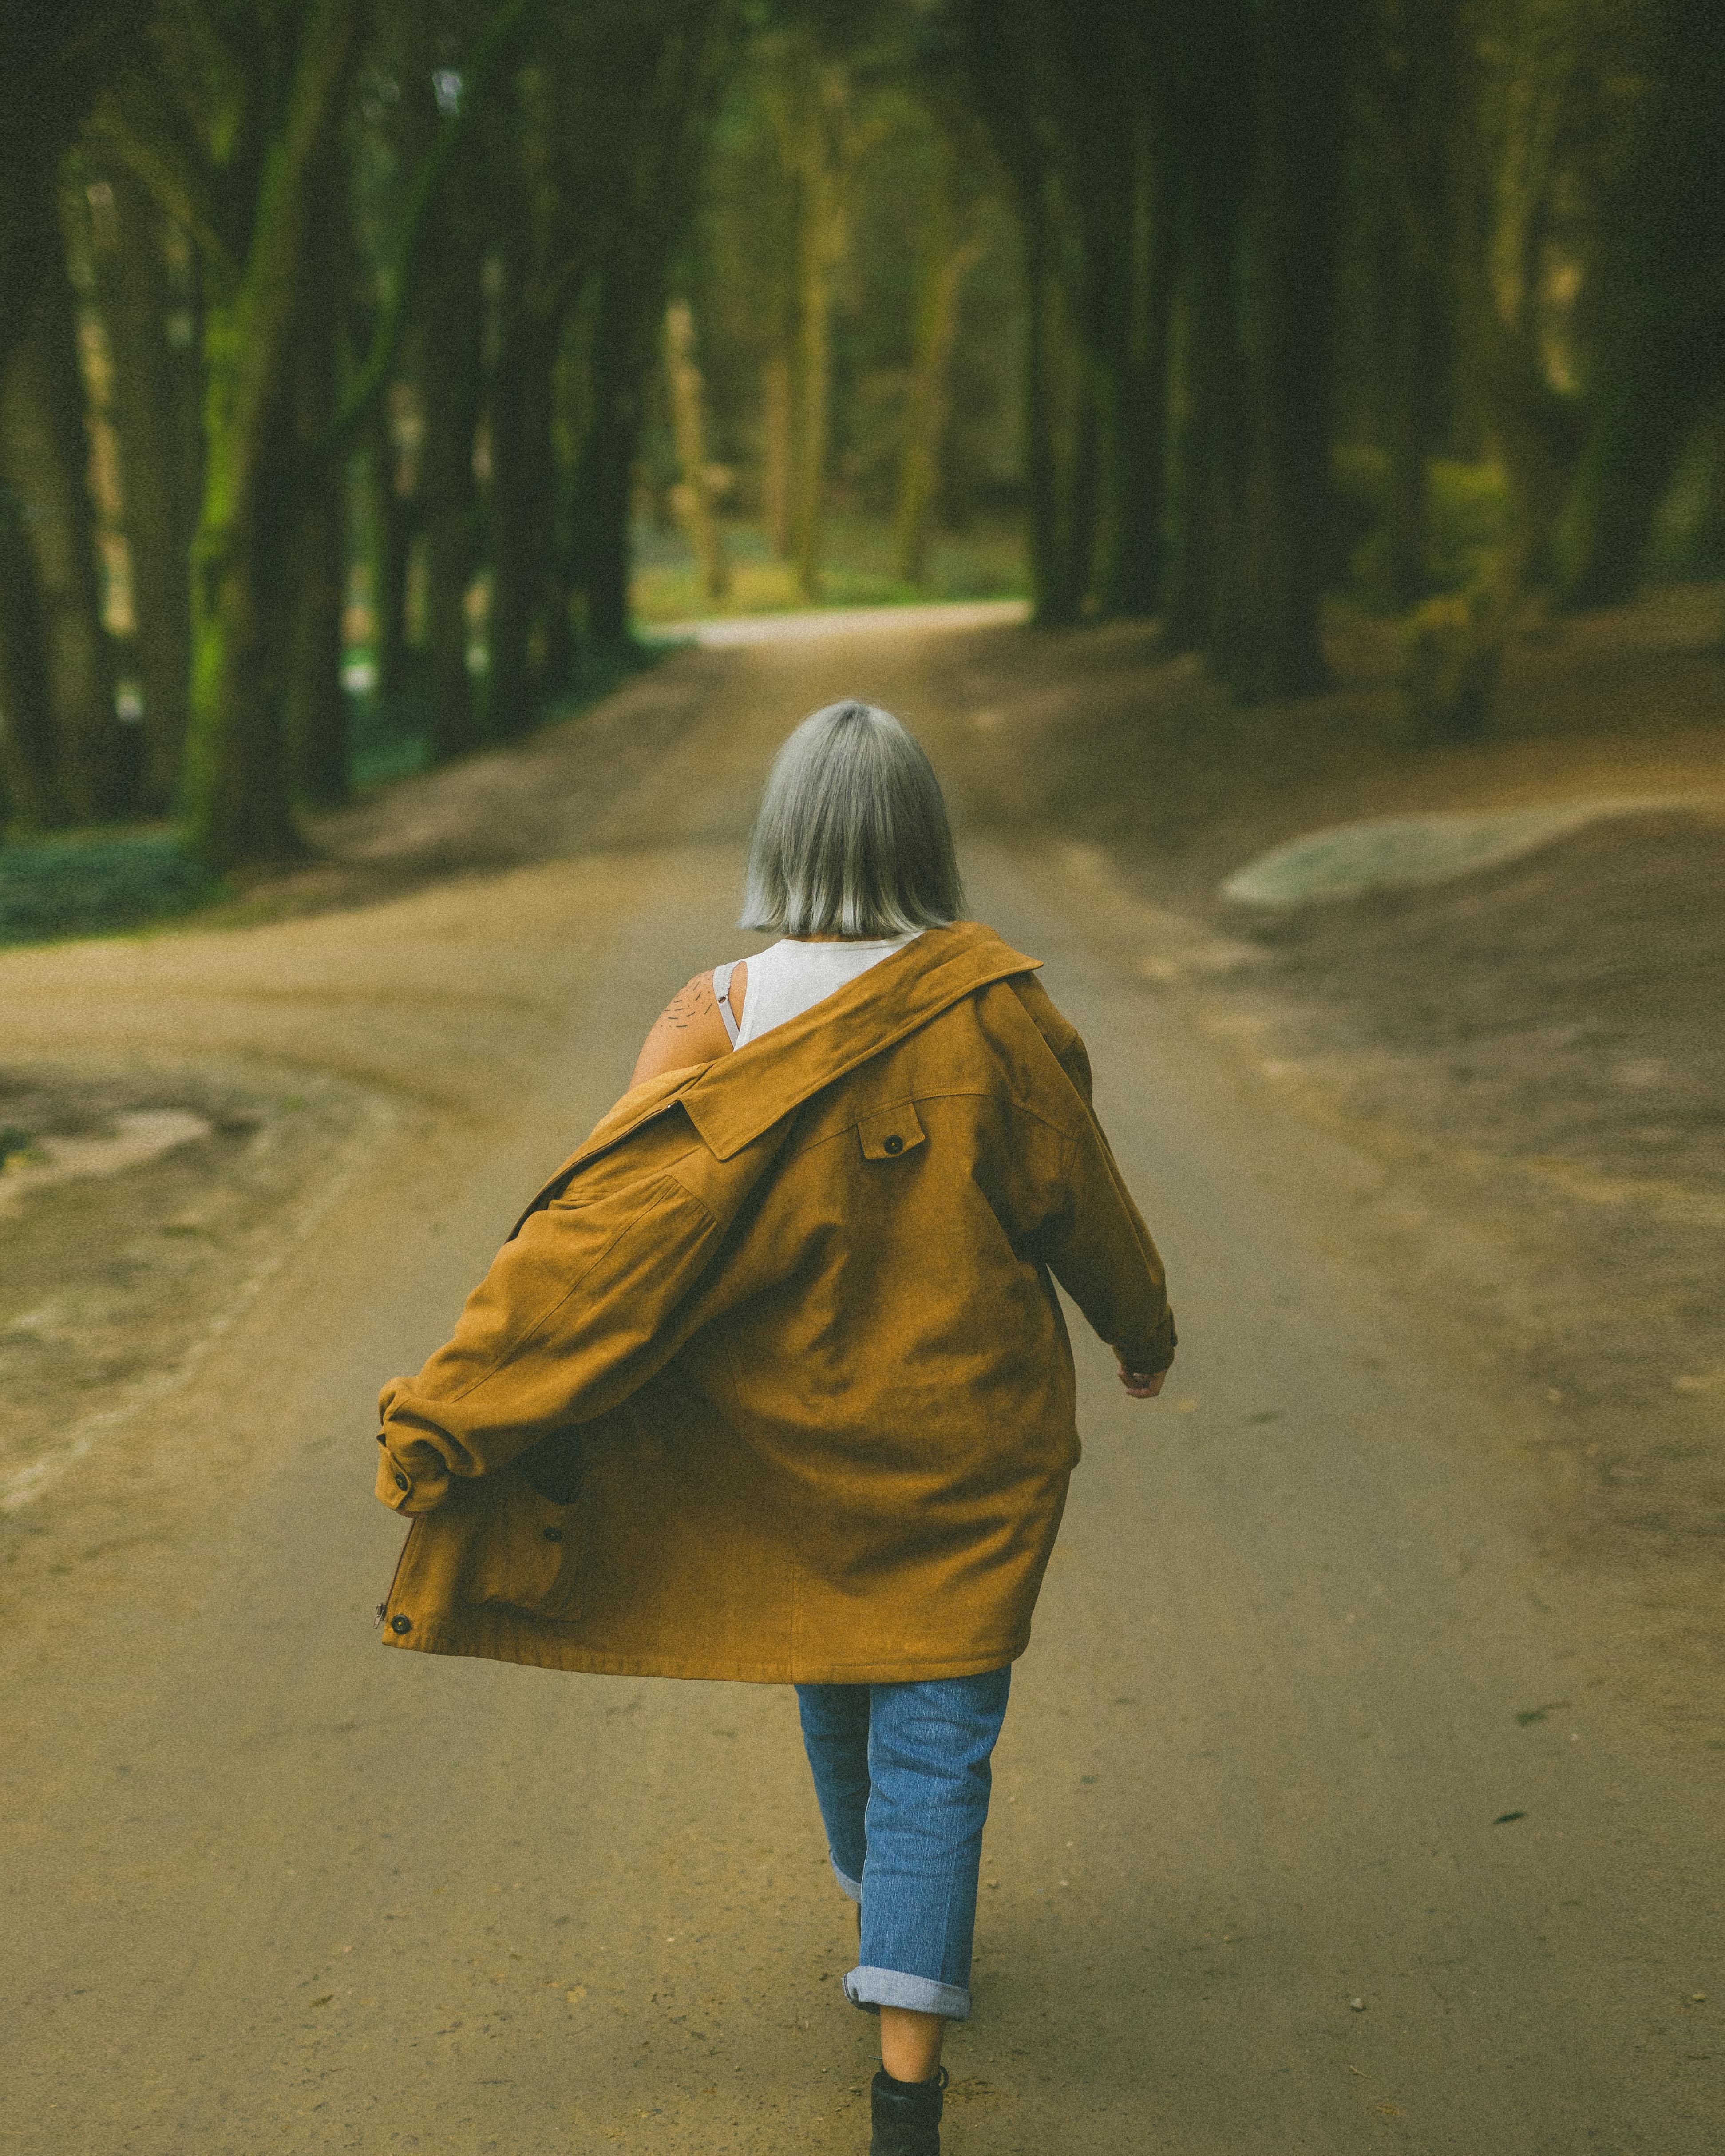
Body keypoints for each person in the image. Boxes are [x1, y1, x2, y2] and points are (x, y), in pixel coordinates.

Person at [374, 699, 1175, 2156]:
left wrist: (462, 1401)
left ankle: (893, 1926)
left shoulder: (713, 1018)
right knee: (942, 1736)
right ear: (927, 838)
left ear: (783, 838)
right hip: (968, 1449)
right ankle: (906, 2084)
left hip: (785, 1454)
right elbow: (1087, 1204)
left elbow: (603, 1242)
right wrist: (1144, 1334)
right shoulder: (1005, 1011)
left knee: (837, 1666)